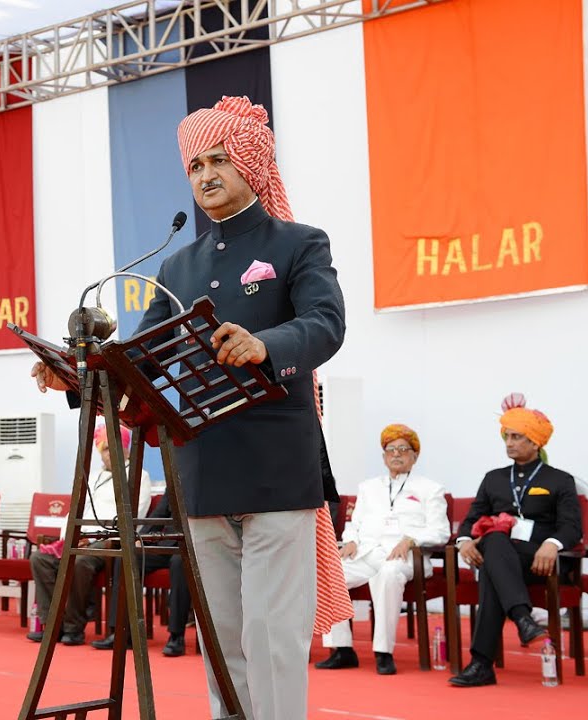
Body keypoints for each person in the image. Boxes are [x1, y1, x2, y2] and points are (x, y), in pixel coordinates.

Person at [31, 95, 351, 719]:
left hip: (277, 473)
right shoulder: (177, 265)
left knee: (272, 637)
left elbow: (326, 324)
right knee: (222, 639)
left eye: (219, 160)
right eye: (195, 165)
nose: (206, 175)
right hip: (200, 473)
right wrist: (76, 377)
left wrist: (265, 344)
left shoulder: (298, 243)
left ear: (249, 164)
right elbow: (140, 364)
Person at [448, 406, 582, 687]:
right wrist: (463, 542)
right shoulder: (493, 478)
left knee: (492, 559)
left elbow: (571, 526)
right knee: (495, 544)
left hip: (540, 560)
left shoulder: (560, 479)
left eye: (516, 437)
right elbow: (470, 519)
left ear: (535, 442)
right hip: (503, 556)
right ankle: (522, 618)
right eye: (507, 437)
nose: (509, 443)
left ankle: (482, 664)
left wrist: (551, 544)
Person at [315, 424, 449, 675]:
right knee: (330, 574)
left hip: (406, 557)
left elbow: (440, 531)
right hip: (367, 553)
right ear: (383, 456)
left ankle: (383, 652)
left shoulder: (431, 489)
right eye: (390, 449)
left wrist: (411, 539)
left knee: (386, 574)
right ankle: (342, 649)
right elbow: (355, 523)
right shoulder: (368, 487)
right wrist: (351, 539)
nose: (396, 454)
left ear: (415, 456)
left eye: (403, 449)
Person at [27, 422, 151, 646]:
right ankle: (52, 626)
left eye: (114, 446)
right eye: (105, 448)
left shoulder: (139, 475)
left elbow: (134, 515)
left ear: (125, 448)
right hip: (82, 538)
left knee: (80, 561)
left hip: (111, 541)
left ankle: (74, 628)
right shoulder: (92, 477)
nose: (109, 453)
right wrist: (70, 537)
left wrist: (92, 538)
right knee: (40, 559)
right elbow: (74, 511)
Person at [90, 487, 192, 656]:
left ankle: (176, 636)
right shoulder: (176, 478)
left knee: (179, 563)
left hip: (192, 547)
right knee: (128, 559)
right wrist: (140, 538)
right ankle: (122, 633)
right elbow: (158, 515)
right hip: (166, 544)